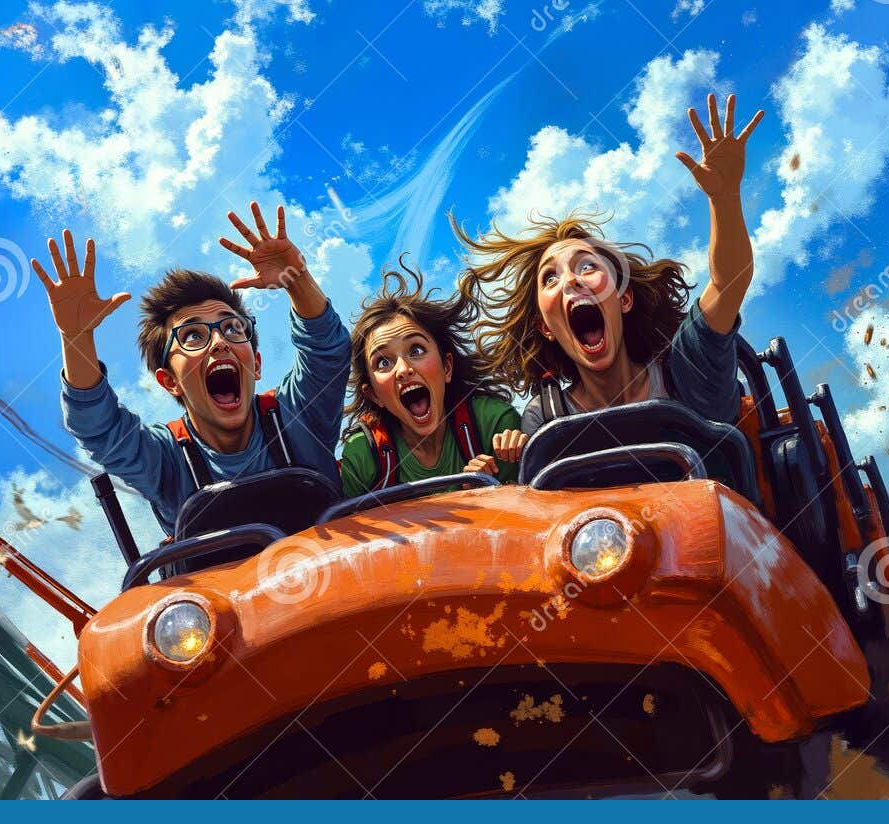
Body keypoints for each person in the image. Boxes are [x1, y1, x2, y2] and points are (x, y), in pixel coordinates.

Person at [456, 93, 764, 433]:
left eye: (587, 266)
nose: (570, 280)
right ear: (545, 328)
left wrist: (724, 197)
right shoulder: (547, 418)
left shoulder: (684, 371)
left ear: (624, 298)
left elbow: (728, 282)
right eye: (550, 278)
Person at [45, 202, 351, 536]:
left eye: (232, 328)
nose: (219, 342)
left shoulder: (297, 416)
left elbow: (328, 353)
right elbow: (98, 428)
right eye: (192, 335)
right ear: (169, 381)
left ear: (256, 364)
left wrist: (297, 279)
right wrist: (76, 338)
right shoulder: (166, 459)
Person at [339, 259, 526, 497]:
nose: (403, 369)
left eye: (416, 350)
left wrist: (496, 490)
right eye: (384, 362)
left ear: (447, 367)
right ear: (374, 395)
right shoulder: (363, 456)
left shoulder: (493, 424)